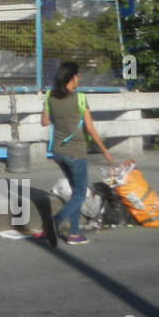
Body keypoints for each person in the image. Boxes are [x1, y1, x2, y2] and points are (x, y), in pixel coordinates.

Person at [40, 61, 114, 245]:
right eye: (78, 75)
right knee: (80, 194)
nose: (79, 78)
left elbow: (44, 121)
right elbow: (90, 128)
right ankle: (56, 221)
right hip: (76, 152)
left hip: (58, 151)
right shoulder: (80, 98)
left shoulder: (50, 96)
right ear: (73, 77)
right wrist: (104, 150)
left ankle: (74, 233)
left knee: (75, 192)